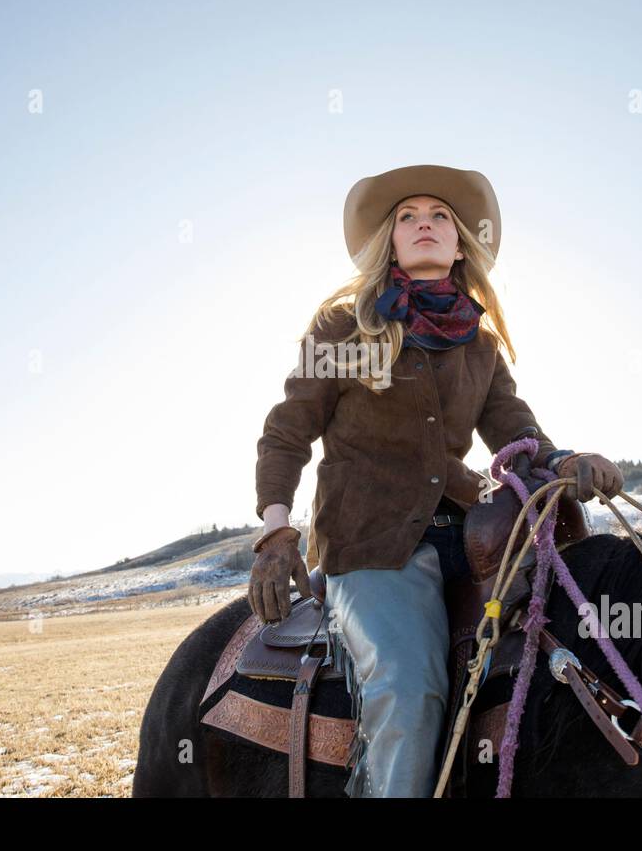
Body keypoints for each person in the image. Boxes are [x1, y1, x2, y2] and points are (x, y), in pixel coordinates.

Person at [249, 164, 623, 797]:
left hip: (472, 537)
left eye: (440, 216)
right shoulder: (342, 329)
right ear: (391, 242)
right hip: (371, 546)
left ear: (459, 241)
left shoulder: (479, 344)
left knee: (562, 657)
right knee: (409, 683)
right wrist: (276, 530)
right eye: (407, 217)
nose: (424, 223)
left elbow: (516, 431)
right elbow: (286, 433)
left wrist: (562, 463)